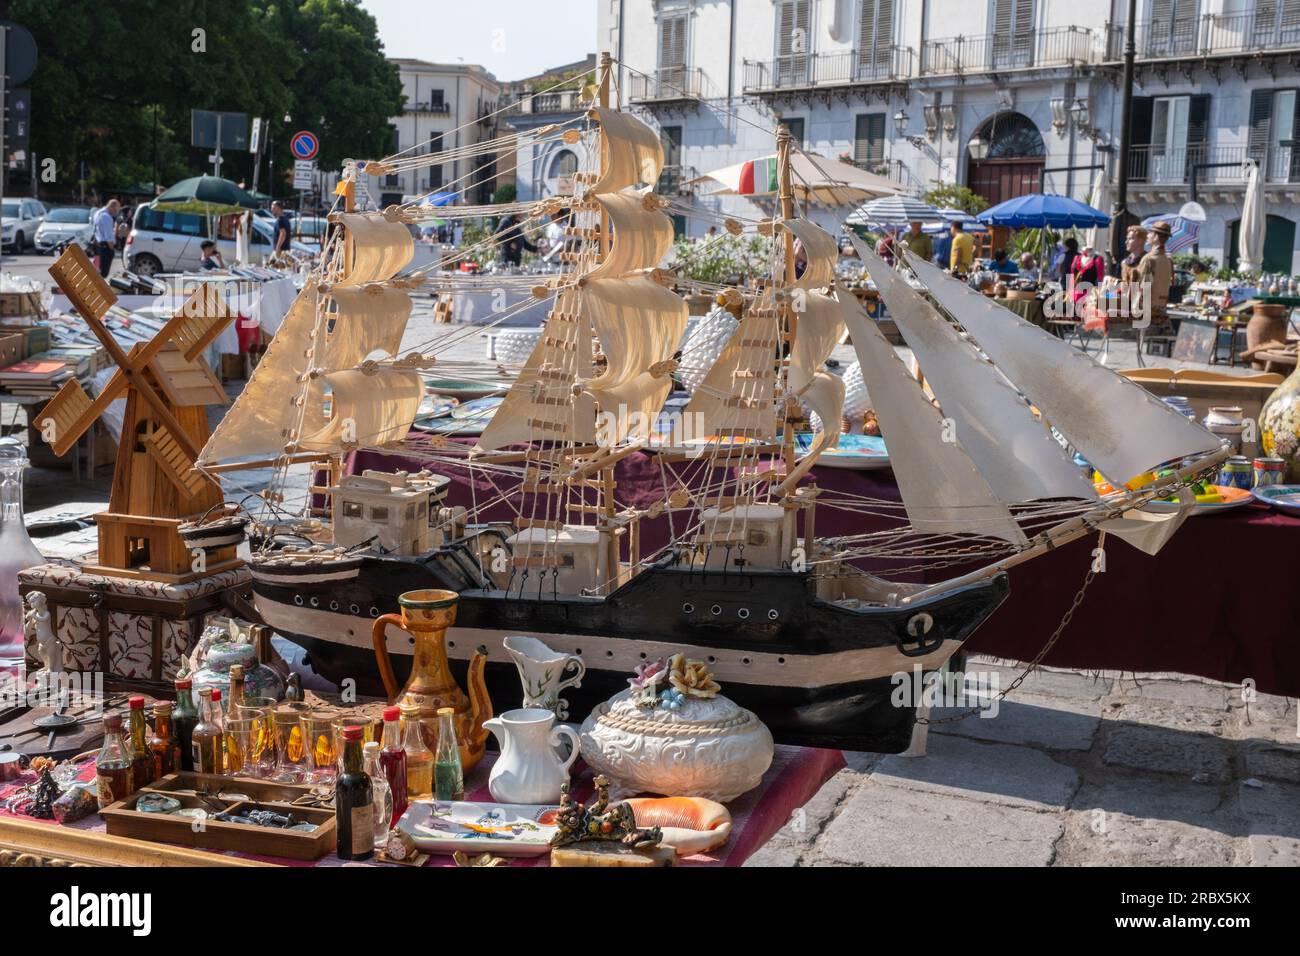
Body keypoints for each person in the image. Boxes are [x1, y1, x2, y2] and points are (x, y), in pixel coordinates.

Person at [92, 199, 120, 278]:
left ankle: (94, 287)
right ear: (112, 207)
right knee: (103, 273)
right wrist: (112, 249)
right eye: (116, 210)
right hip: (105, 247)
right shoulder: (106, 217)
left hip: (97, 245)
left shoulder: (98, 212)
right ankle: (98, 288)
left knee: (96, 270)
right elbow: (108, 237)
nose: (116, 212)